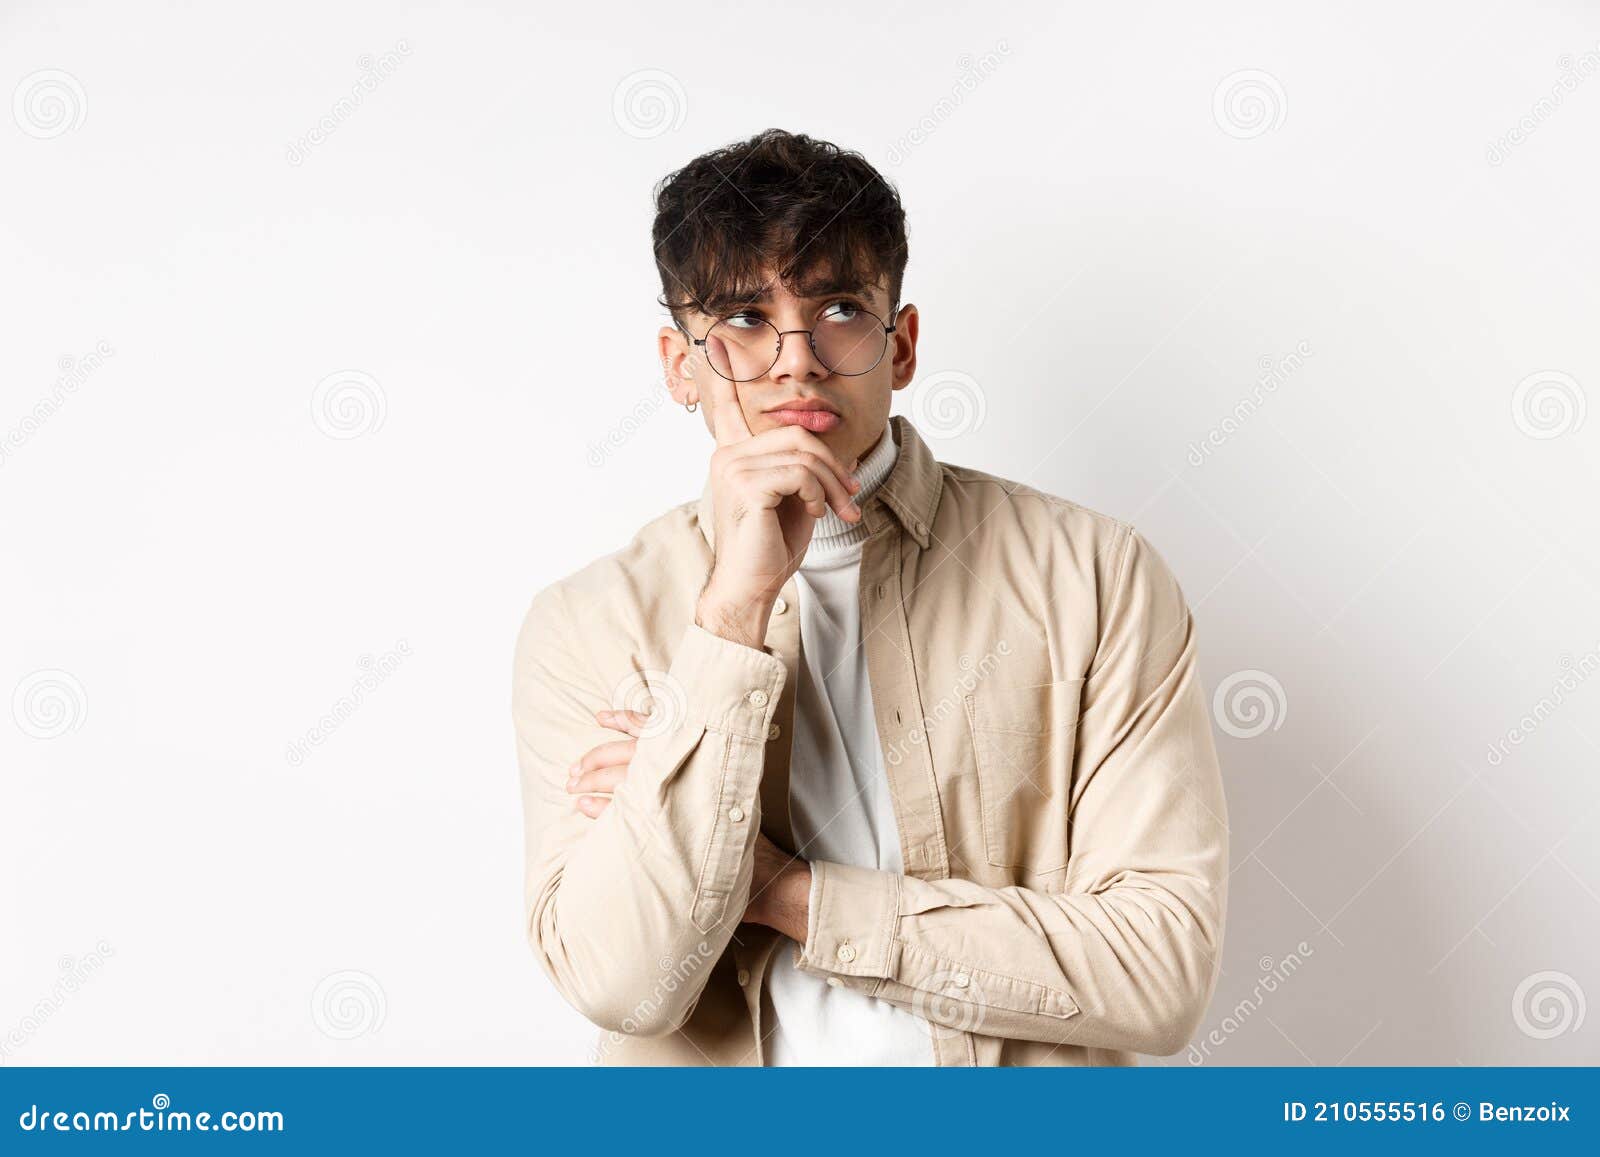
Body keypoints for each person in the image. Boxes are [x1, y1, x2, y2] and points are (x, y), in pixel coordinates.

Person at [513, 128, 1228, 1066]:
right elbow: (619, 982)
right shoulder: (588, 621)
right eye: (740, 319)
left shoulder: (1095, 575)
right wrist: (731, 611)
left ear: (902, 345)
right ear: (678, 365)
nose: (796, 361)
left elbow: (1159, 975)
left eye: (839, 308)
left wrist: (777, 891)